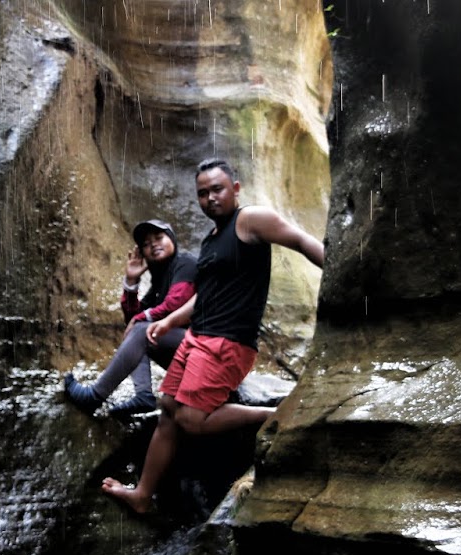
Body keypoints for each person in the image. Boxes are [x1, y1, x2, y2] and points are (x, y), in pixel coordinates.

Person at [102, 158, 324, 514]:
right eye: (202, 193)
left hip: (227, 342)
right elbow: (203, 297)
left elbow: (298, 239)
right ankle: (143, 495)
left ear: (235, 189)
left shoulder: (249, 220)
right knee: (169, 411)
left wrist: (339, 269)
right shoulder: (211, 241)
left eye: (217, 189)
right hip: (198, 338)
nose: (210, 198)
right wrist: (171, 321)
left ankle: (276, 414)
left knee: (192, 419)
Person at [63, 219, 197, 415]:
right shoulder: (160, 280)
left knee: (142, 329)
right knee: (140, 330)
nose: (153, 245)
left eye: (159, 238)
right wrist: (131, 281)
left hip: (206, 347)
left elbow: (176, 304)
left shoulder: (186, 263)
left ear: (173, 240)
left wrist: (140, 318)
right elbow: (132, 318)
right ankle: (143, 396)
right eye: (146, 244)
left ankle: (94, 396)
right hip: (188, 351)